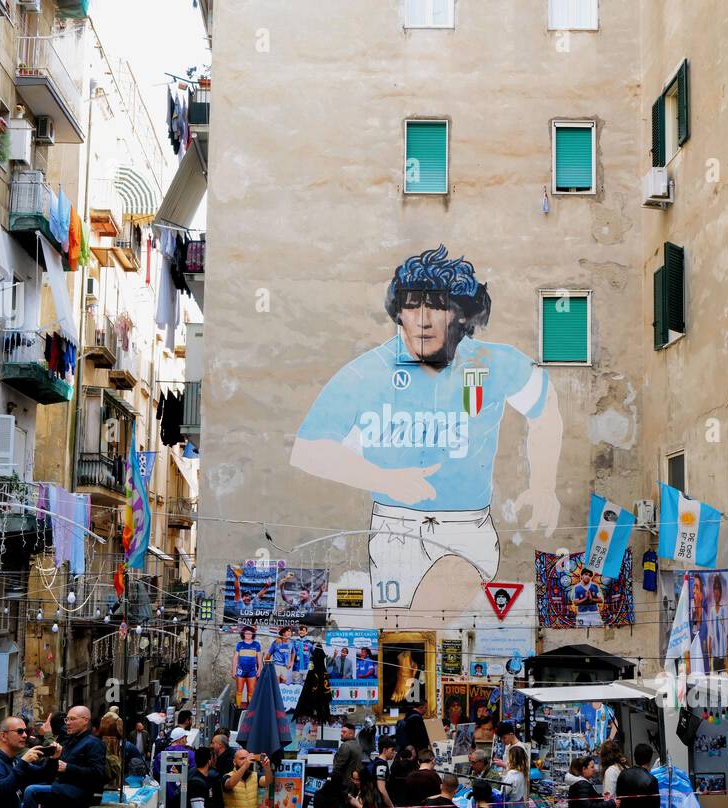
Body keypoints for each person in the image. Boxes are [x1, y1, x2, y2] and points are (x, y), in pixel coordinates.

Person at [291, 246, 562, 619]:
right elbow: (307, 449)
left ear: (460, 315)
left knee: (423, 625)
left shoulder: (491, 363)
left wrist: (544, 485)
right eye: (412, 305)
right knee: (398, 646)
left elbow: (545, 408)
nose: (424, 319)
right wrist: (383, 477)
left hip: (465, 529)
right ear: (398, 313)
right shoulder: (366, 373)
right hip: (392, 528)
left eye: (437, 305)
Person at [20, 705, 105, 808]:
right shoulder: (70, 739)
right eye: (67, 719)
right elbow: (52, 770)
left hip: (77, 794)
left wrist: (68, 768)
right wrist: (54, 758)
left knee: (31, 791)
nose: (68, 723)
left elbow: (98, 774)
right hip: (59, 786)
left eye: (72, 719)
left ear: (85, 721)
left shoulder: (94, 743)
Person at [154, 727, 199, 808]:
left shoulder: (160, 756)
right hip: (185, 796)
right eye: (185, 738)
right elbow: (195, 773)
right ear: (181, 739)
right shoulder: (191, 754)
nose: (187, 740)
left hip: (166, 797)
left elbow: (156, 776)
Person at [231, 625, 262, 708]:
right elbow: (235, 658)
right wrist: (234, 671)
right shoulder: (239, 644)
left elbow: (259, 658)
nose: (248, 635)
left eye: (250, 633)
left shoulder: (256, 644)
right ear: (243, 634)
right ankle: (238, 706)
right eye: (246, 633)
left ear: (253, 634)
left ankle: (250, 708)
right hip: (241, 671)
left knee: (251, 691)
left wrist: (259, 669)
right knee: (239, 690)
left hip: (252, 671)